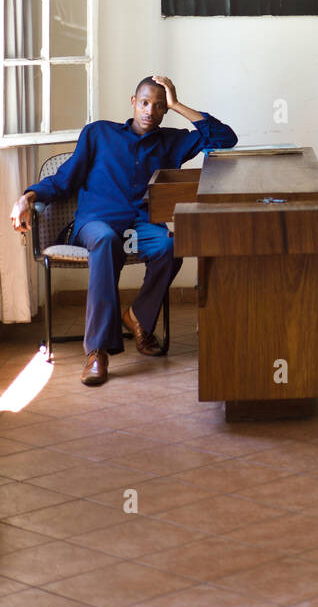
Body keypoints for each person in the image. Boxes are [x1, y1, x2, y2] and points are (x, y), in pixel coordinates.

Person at [9, 75, 237, 387]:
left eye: (159, 106)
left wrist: (177, 103)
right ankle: (97, 351)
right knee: (106, 239)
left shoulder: (172, 142)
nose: (150, 111)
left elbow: (225, 139)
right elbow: (64, 180)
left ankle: (138, 319)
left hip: (141, 226)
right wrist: (27, 197)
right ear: (133, 102)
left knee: (171, 246)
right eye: (145, 103)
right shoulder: (99, 134)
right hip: (95, 224)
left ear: (164, 111)